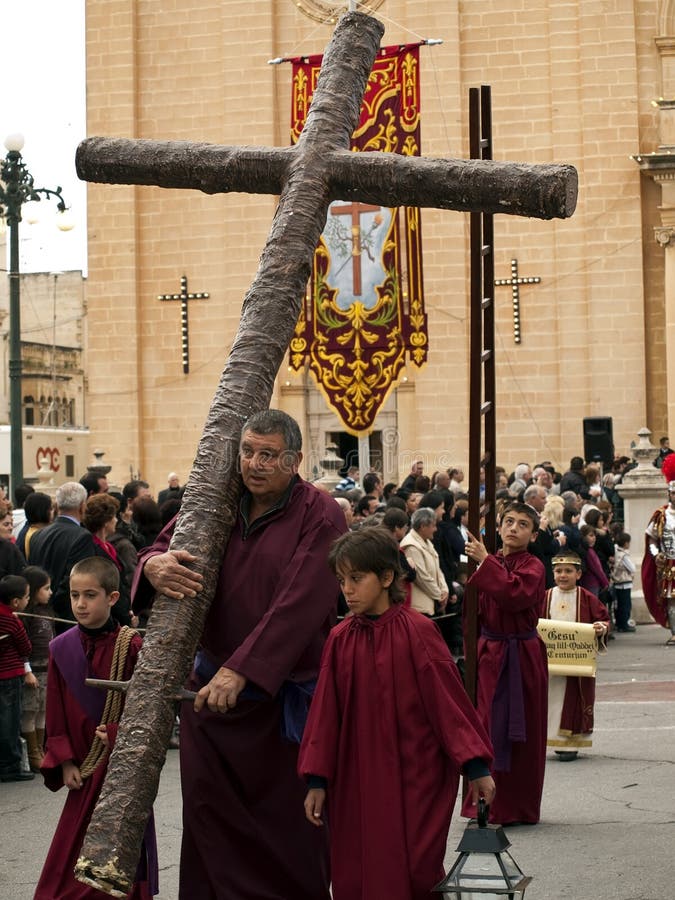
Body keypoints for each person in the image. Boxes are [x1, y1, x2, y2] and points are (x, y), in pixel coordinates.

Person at [132, 408, 346, 900]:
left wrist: (243, 670)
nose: (253, 464)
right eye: (247, 452)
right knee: (209, 824)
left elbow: (298, 604)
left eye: (268, 455)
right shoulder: (218, 500)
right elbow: (159, 550)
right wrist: (154, 566)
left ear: (293, 461)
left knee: (291, 834)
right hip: (209, 701)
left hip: (282, 703)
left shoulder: (320, 513)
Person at [298, 528, 495, 900]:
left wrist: (475, 767)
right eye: (341, 580)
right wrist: (317, 781)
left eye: (357, 578)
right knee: (356, 869)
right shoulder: (339, 639)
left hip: (414, 776)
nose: (347, 589)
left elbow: (448, 706)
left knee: (417, 869)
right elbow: (324, 715)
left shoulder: (420, 632)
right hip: (355, 776)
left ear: (387, 577)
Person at [35, 556, 158, 899]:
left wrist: (119, 733)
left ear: (112, 598)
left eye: (90, 595)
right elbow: (55, 709)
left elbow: (148, 708)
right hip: (84, 766)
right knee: (70, 854)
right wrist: (65, 760)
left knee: (121, 849)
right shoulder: (61, 648)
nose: (80, 604)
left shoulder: (132, 646)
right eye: (75, 595)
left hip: (120, 765)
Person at [463, 501, 548, 825]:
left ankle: (517, 806)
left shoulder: (533, 566)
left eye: (523, 524)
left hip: (521, 657)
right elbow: (473, 613)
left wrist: (485, 562)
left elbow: (514, 595)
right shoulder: (490, 562)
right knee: (486, 725)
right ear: (498, 527)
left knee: (521, 731)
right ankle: (483, 802)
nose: (514, 528)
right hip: (490, 655)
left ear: (534, 534)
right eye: (509, 521)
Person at [544, 551, 610, 761]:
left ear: (578, 574)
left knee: (573, 700)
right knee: (550, 700)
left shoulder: (587, 598)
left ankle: (570, 744)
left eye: (568, 571)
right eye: (559, 571)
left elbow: (604, 620)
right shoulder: (545, 597)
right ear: (553, 573)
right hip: (551, 664)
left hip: (577, 663)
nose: (563, 575)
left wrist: (601, 628)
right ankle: (552, 739)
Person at [29, 482, 98, 631]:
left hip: (40, 614)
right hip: (66, 618)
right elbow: (76, 579)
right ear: (82, 506)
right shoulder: (82, 537)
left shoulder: (37, 534)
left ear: (57, 506)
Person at [20, 566, 54, 772]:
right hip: (33, 671)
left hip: (47, 669)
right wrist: (27, 670)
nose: (50, 592)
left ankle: (41, 749)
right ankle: (33, 753)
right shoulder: (26, 616)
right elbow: (22, 646)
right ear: (33, 590)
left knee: (43, 710)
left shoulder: (47, 612)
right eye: (46, 588)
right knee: (30, 711)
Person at [0, 573, 33, 782]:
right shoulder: (12, 621)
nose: (28, 600)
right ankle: (10, 766)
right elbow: (26, 648)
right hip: (10, 677)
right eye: (27, 597)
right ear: (15, 602)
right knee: (10, 722)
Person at [642, 454, 675, 644]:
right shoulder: (661, 515)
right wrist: (657, 555)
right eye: (674, 493)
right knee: (670, 598)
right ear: (669, 493)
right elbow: (652, 540)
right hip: (669, 562)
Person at [400, 506, 449, 617]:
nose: (436, 529)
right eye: (433, 526)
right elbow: (421, 577)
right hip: (419, 607)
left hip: (432, 600)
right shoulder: (411, 546)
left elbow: (437, 569)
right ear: (423, 526)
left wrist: (444, 590)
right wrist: (439, 595)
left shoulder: (426, 541)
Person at [611, 532, 636, 632]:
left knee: (619, 605)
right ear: (626, 543)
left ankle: (619, 624)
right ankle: (624, 624)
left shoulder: (616, 553)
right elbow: (632, 568)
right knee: (625, 605)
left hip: (617, 583)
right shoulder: (624, 555)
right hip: (624, 582)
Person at [0, 499, 26, 577]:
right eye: (6, 524)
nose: (11, 527)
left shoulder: (12, 546)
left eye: (11, 524)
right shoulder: (9, 548)